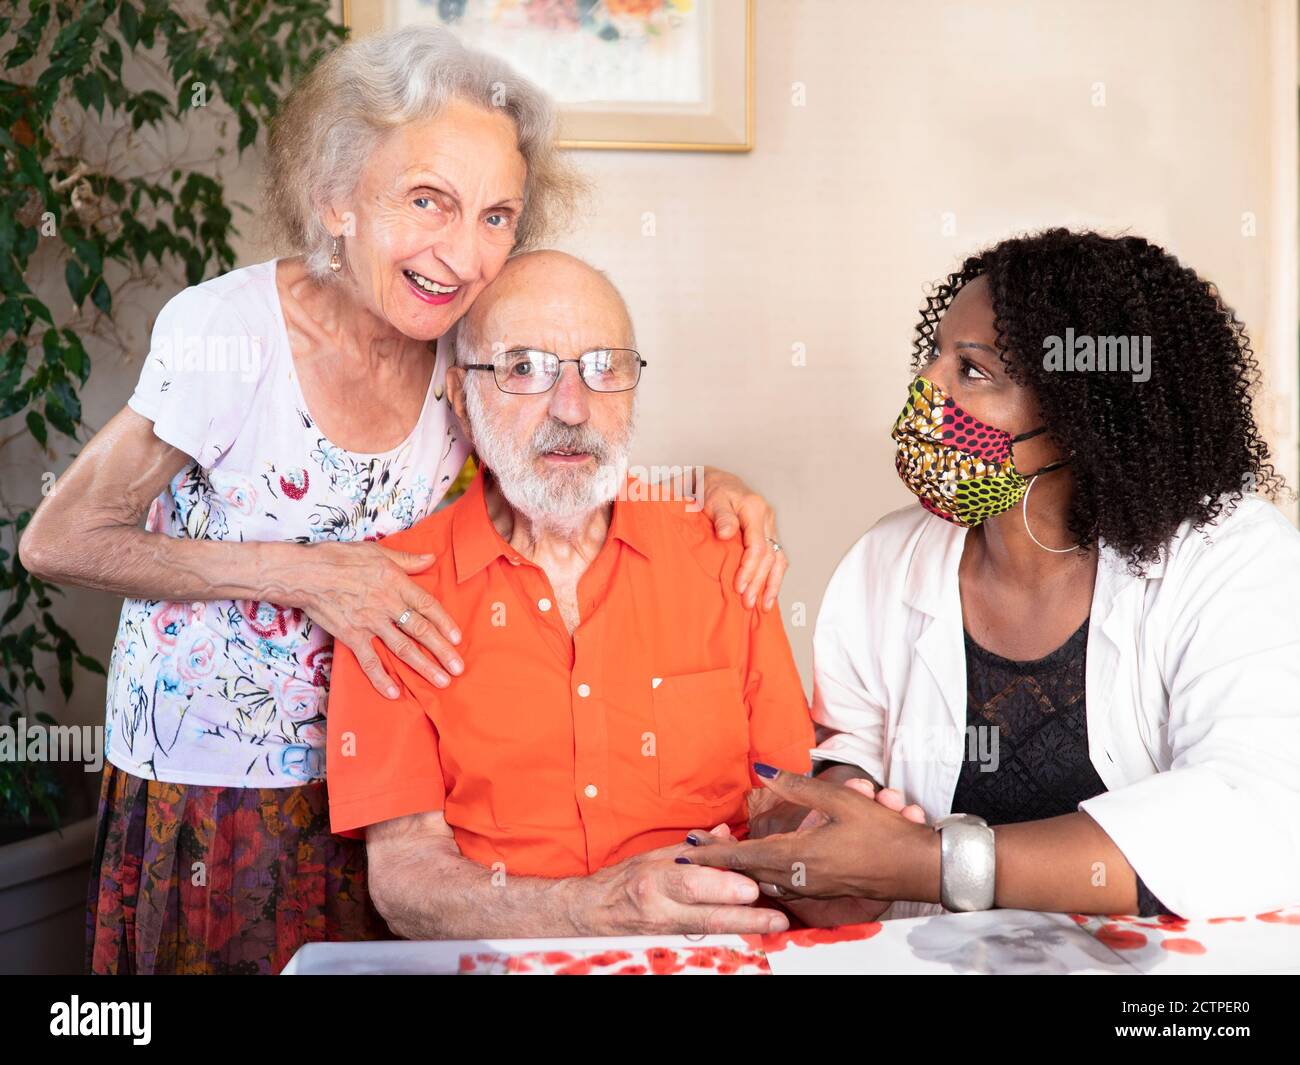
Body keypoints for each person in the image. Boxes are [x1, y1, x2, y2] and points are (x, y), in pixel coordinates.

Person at [18, 27, 787, 974]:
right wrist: (307, 577)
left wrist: (709, 488)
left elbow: (563, 445)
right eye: (430, 201)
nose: (464, 254)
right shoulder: (230, 333)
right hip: (220, 789)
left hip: (398, 795)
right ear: (336, 196)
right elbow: (61, 538)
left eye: (498, 216)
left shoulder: (455, 343)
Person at [686, 229, 1300, 923]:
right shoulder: (885, 562)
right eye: (934, 356)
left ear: (1082, 412)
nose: (927, 388)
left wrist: (930, 860)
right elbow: (849, 760)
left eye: (973, 371)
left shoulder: (1234, 557)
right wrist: (827, 827)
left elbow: (1254, 818)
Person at [325, 250, 814, 939]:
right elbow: (405, 878)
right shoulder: (389, 592)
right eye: (524, 368)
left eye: (604, 366)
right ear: (463, 397)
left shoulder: (725, 551)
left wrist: (835, 831)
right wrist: (594, 906)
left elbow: (779, 800)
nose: (572, 406)